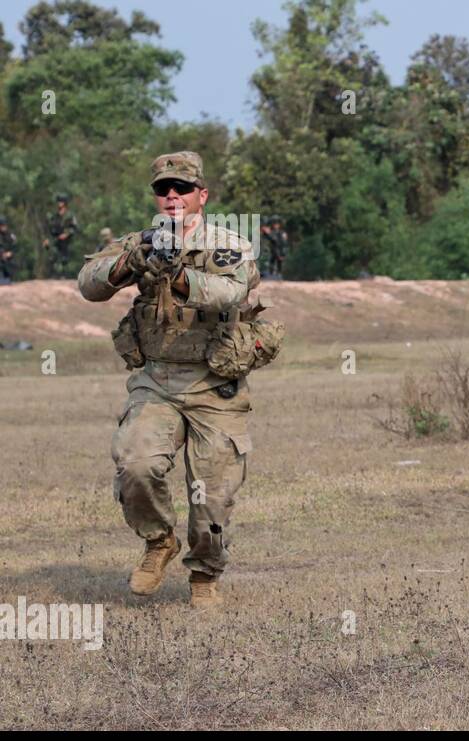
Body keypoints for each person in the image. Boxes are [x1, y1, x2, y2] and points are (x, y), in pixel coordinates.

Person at [77, 151, 272, 609]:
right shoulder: (139, 242)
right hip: (157, 382)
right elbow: (88, 284)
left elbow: (231, 291)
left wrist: (181, 276)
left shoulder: (228, 244)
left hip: (214, 384)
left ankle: (205, 574)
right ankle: (158, 541)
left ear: (201, 196)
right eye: (163, 188)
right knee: (136, 466)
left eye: (182, 188)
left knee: (213, 497)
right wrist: (129, 263)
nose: (171, 196)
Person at [44, 194, 79, 277]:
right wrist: (47, 239)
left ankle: (66, 276)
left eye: (61, 201)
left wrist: (67, 234)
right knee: (53, 256)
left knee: (66, 260)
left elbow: (75, 228)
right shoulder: (55, 216)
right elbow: (51, 229)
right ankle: (56, 276)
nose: (59, 203)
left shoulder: (70, 215)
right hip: (57, 240)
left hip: (67, 242)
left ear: (65, 203)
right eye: (58, 201)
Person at [263, 215, 289, 280]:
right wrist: (266, 233)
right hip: (273, 249)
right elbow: (271, 238)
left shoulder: (281, 232)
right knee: (272, 261)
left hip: (279, 249)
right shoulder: (272, 232)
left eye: (277, 224)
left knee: (279, 261)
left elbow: (282, 241)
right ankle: (271, 274)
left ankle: (278, 274)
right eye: (275, 224)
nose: (276, 226)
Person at [0, 216, 17, 284]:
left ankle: (8, 280)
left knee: (11, 265)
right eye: (2, 225)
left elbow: (15, 248)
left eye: (4, 225)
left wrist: (10, 253)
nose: (4, 227)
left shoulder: (10, 236)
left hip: (7, 261)